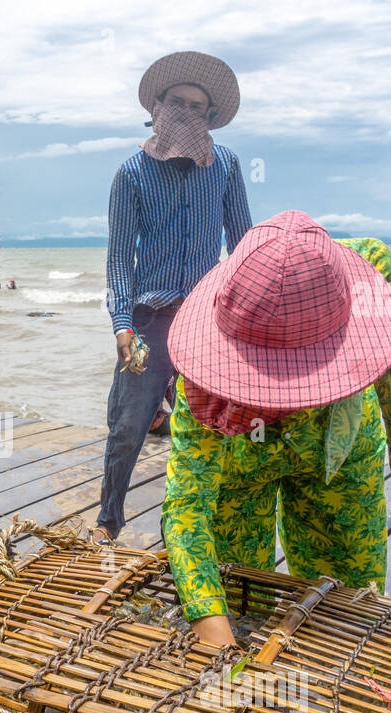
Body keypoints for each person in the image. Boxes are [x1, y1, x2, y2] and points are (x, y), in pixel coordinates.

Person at [160, 211, 391, 667]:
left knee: (344, 623)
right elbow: (188, 503)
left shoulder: (379, 285)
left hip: (339, 458)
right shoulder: (210, 349)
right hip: (238, 463)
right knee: (239, 607)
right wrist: (213, 633)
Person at [94, 51, 252, 545]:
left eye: (198, 107)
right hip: (148, 322)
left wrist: (248, 320)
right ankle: (107, 522)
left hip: (208, 323)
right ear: (157, 106)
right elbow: (120, 258)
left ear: (210, 118)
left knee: (206, 431)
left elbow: (244, 243)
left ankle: (186, 532)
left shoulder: (225, 166)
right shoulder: (132, 174)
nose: (186, 112)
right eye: (177, 102)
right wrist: (122, 325)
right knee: (127, 427)